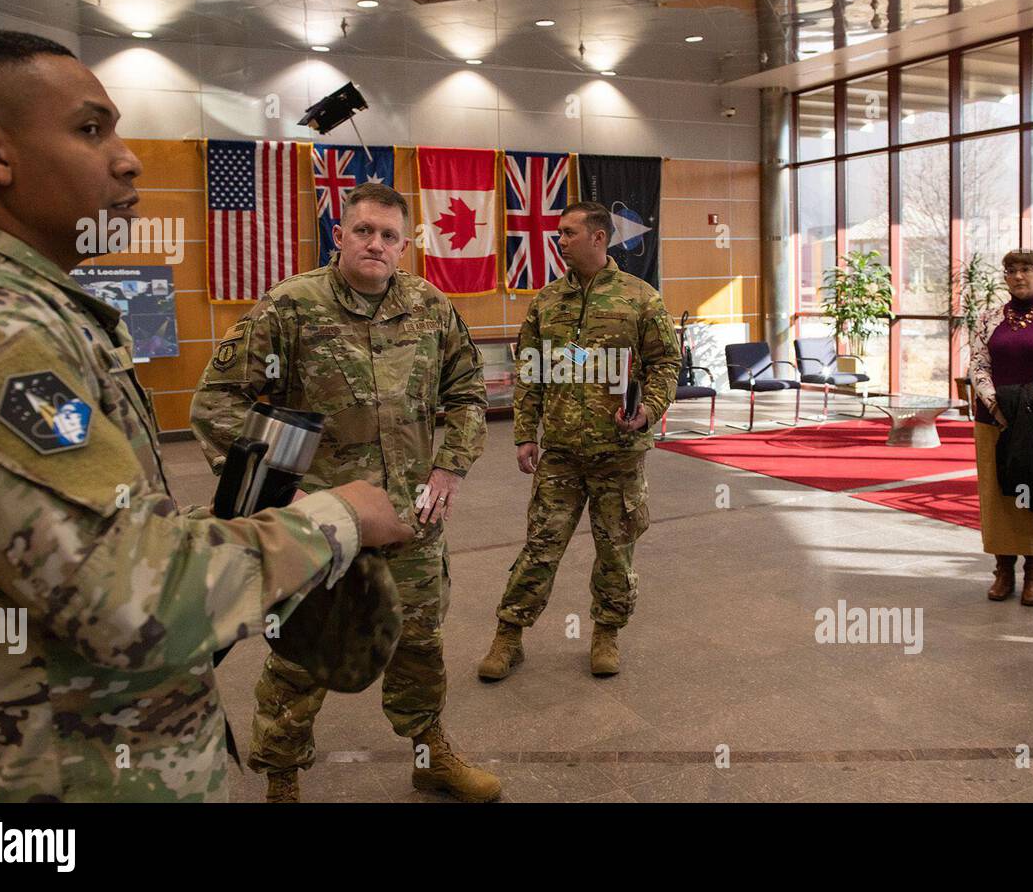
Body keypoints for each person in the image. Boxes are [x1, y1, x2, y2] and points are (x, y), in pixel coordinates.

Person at [0, 30, 410, 802]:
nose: (128, 158)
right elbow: (126, 596)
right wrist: (338, 517)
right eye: (91, 129)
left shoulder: (29, 309)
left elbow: (88, 538)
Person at [191, 181, 497, 802]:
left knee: (418, 645)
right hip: (323, 526)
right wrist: (284, 497)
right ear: (340, 235)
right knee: (302, 654)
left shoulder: (430, 307)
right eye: (363, 231)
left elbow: (467, 391)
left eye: (389, 236)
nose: (375, 244)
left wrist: (450, 468)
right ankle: (281, 775)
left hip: (412, 517)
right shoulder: (292, 307)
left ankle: (427, 752)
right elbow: (216, 402)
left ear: (405, 246)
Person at [476, 201, 680, 680]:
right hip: (562, 453)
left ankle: (607, 632)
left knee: (615, 550)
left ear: (598, 237)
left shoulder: (640, 298)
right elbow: (529, 372)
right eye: (558, 233)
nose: (559, 241)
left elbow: (666, 365)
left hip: (620, 455)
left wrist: (647, 410)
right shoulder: (547, 301)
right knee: (540, 547)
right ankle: (509, 634)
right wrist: (526, 433)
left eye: (568, 233)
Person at [968, 249, 1033, 606]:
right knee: (999, 496)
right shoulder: (987, 318)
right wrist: (996, 404)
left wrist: (1025, 404)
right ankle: (1003, 570)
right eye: (1011, 271)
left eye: (1026, 269)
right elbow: (978, 364)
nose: (1018, 276)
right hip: (993, 421)